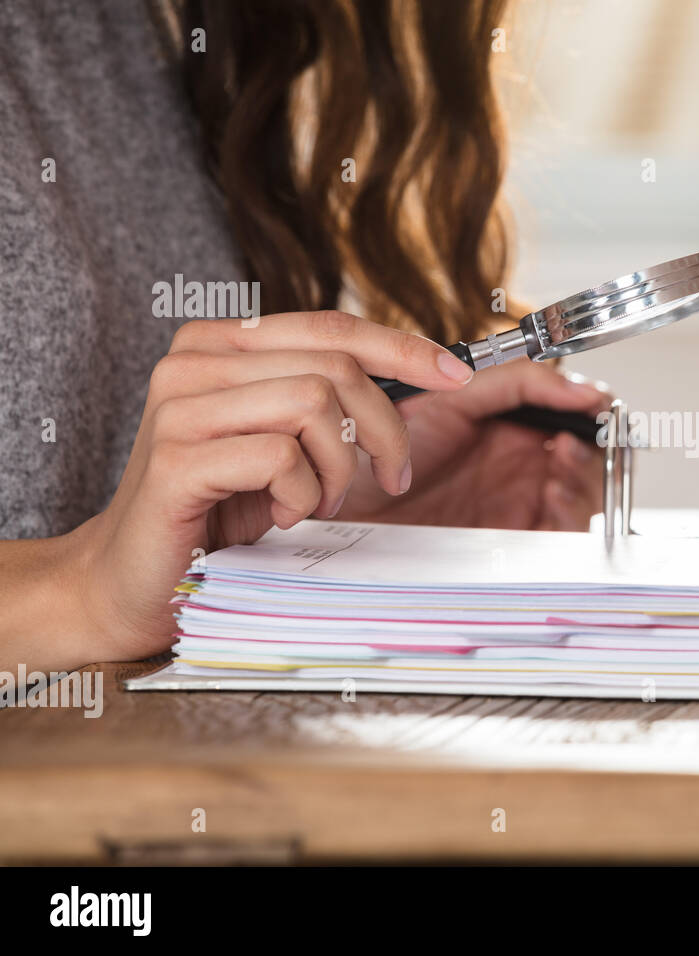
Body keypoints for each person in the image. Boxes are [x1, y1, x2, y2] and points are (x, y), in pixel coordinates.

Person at [0, 0, 606, 675]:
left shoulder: (125, 28)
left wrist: (337, 520)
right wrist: (81, 588)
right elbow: (102, 576)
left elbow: (132, 523)